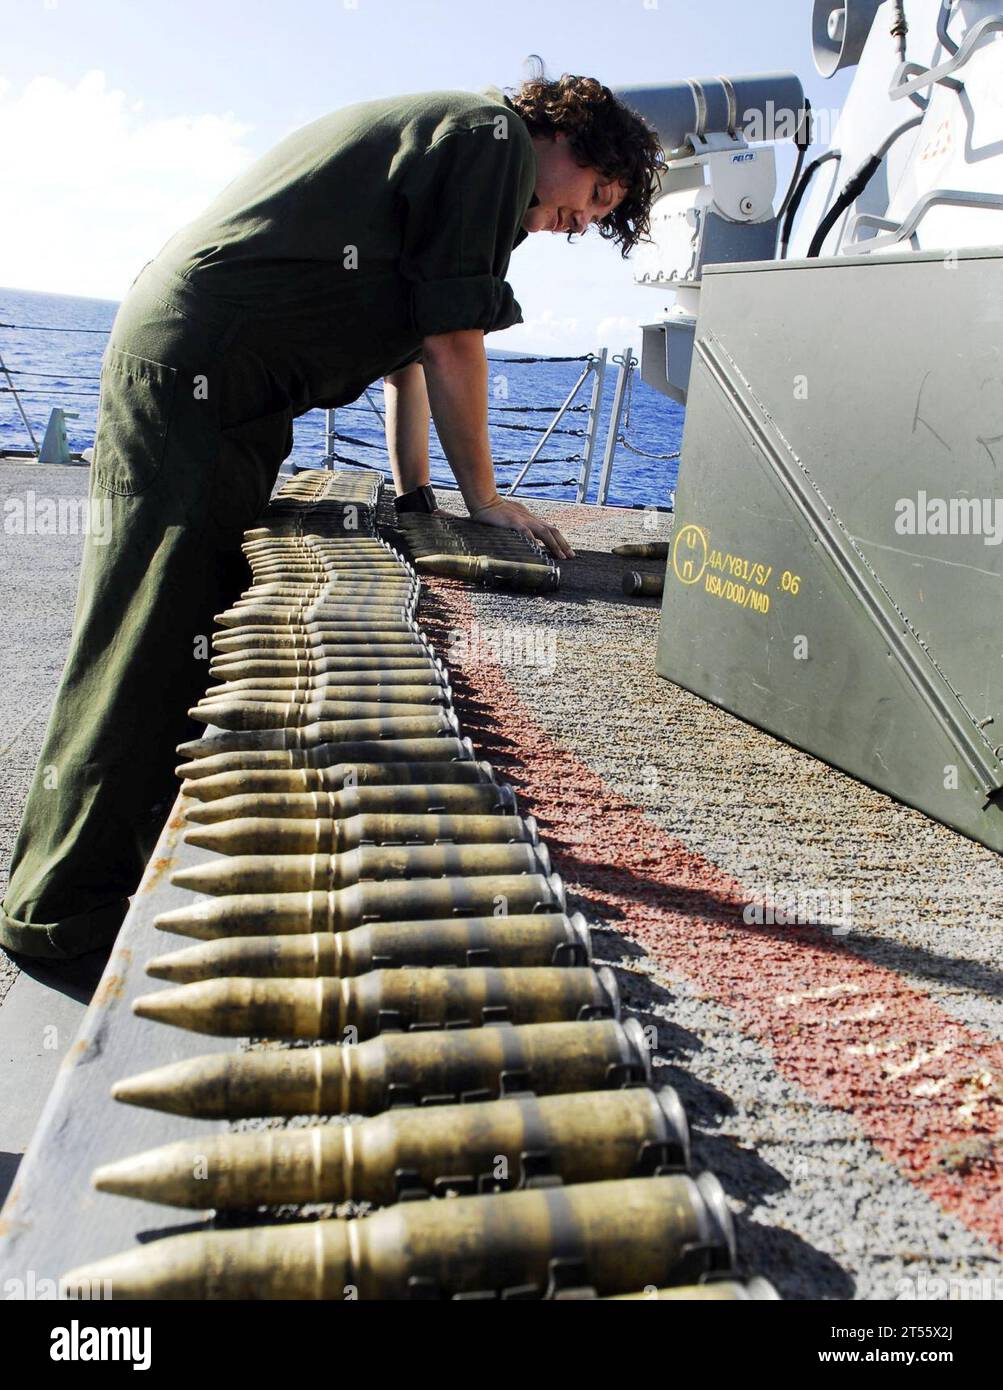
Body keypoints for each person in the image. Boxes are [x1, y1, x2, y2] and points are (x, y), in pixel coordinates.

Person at [0, 73, 663, 960]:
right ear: (576, 142)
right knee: (146, 633)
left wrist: (423, 499)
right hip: (200, 379)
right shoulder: (492, 143)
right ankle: (58, 915)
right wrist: (488, 501)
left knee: (184, 621)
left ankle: (119, 868)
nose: (580, 222)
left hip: (224, 386)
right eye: (595, 199)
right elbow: (452, 340)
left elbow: (410, 367)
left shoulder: (461, 152)